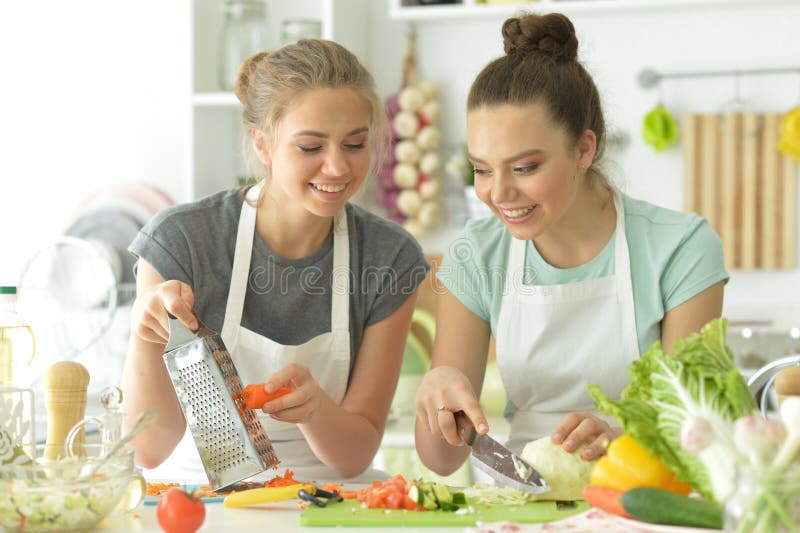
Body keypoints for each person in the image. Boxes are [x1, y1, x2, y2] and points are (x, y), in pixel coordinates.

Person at [414, 12, 728, 476]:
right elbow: (441, 460)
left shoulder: (680, 247)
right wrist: (437, 395)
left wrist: (630, 436)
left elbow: (698, 432)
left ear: (583, 149)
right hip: (520, 497)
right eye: (481, 169)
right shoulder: (477, 253)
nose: (498, 194)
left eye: (524, 168)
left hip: (644, 490)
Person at [121, 39, 429, 482]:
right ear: (263, 145)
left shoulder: (389, 258)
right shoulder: (183, 242)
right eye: (310, 147)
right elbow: (149, 448)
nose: (337, 167)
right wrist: (144, 333)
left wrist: (315, 409)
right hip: (196, 495)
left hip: (331, 496)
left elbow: (355, 455)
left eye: (356, 143)